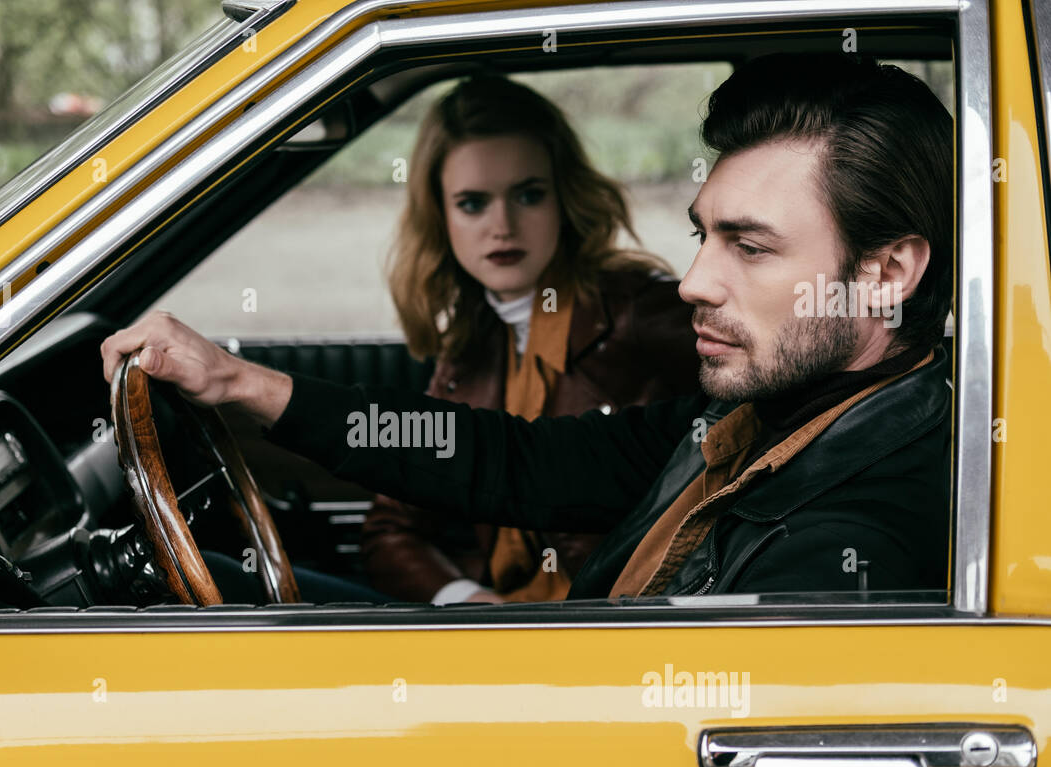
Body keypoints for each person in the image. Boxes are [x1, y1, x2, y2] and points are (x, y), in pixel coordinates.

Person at [100, 53, 954, 602]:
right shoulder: (758, 418)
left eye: (751, 247)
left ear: (886, 274)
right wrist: (241, 382)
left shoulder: (853, 535)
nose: (693, 282)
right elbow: (514, 459)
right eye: (704, 235)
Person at [363, 75, 698, 607]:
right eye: (473, 203)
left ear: (564, 198)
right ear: (440, 216)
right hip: (504, 625)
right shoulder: (471, 344)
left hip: (613, 635)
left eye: (528, 195)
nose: (503, 225)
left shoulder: (645, 313)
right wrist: (467, 599)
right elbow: (391, 526)